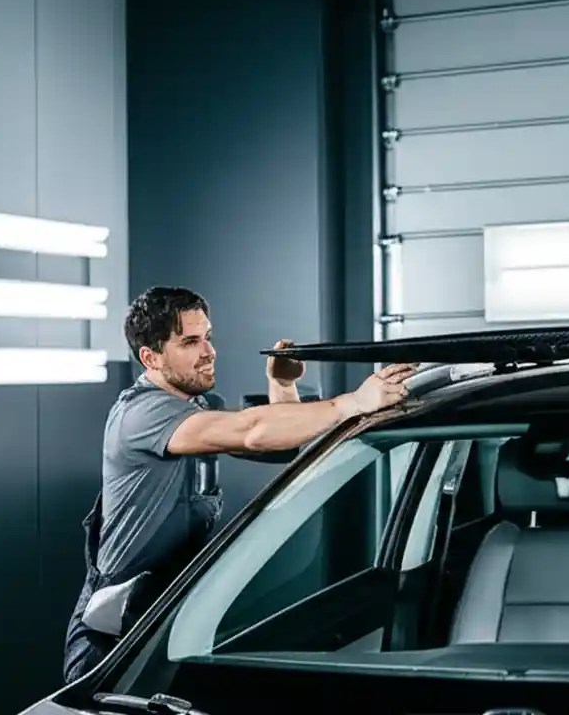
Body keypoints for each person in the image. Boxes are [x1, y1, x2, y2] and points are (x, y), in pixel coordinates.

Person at [62, 286, 417, 683]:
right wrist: (352, 403)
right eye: (190, 342)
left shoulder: (199, 408)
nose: (208, 351)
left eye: (208, 337)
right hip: (114, 631)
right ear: (151, 357)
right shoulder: (141, 414)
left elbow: (279, 445)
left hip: (170, 616)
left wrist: (282, 387)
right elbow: (252, 431)